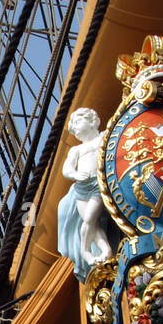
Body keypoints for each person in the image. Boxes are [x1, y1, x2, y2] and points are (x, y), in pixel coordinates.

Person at [56, 107, 113, 281]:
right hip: (82, 189)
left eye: (78, 122)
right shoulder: (76, 150)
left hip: (98, 185)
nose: (75, 128)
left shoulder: (104, 138)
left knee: (89, 219)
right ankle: (100, 251)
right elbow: (67, 168)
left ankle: (88, 250)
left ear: (92, 121)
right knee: (92, 223)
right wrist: (74, 175)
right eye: (73, 127)